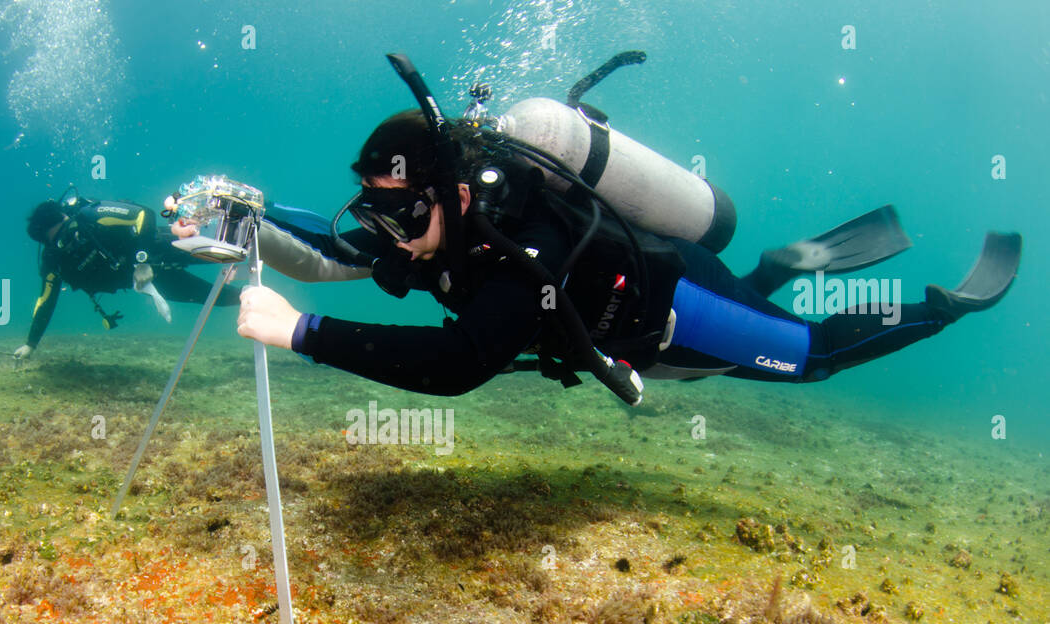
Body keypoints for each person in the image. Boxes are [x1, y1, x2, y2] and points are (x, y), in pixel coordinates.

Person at [227, 108, 1021, 400]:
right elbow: (335, 243)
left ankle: (942, 308)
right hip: (626, 338)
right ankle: (779, 267)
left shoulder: (517, 245)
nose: (387, 232)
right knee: (759, 310)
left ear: (457, 194)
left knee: (808, 357)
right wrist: (245, 216)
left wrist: (305, 333)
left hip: (676, 306)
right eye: (376, 210)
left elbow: (460, 363)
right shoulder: (435, 221)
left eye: (399, 212)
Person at [15, 195, 241, 360]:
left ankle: (256, 233)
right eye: (60, 240)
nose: (69, 239)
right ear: (48, 243)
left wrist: (142, 261)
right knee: (217, 298)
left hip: (160, 247)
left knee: (231, 253)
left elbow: (143, 214)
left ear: (67, 216)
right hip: (150, 282)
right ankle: (262, 300)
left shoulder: (89, 215)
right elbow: (46, 299)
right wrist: (30, 344)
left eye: (67, 230)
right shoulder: (54, 260)